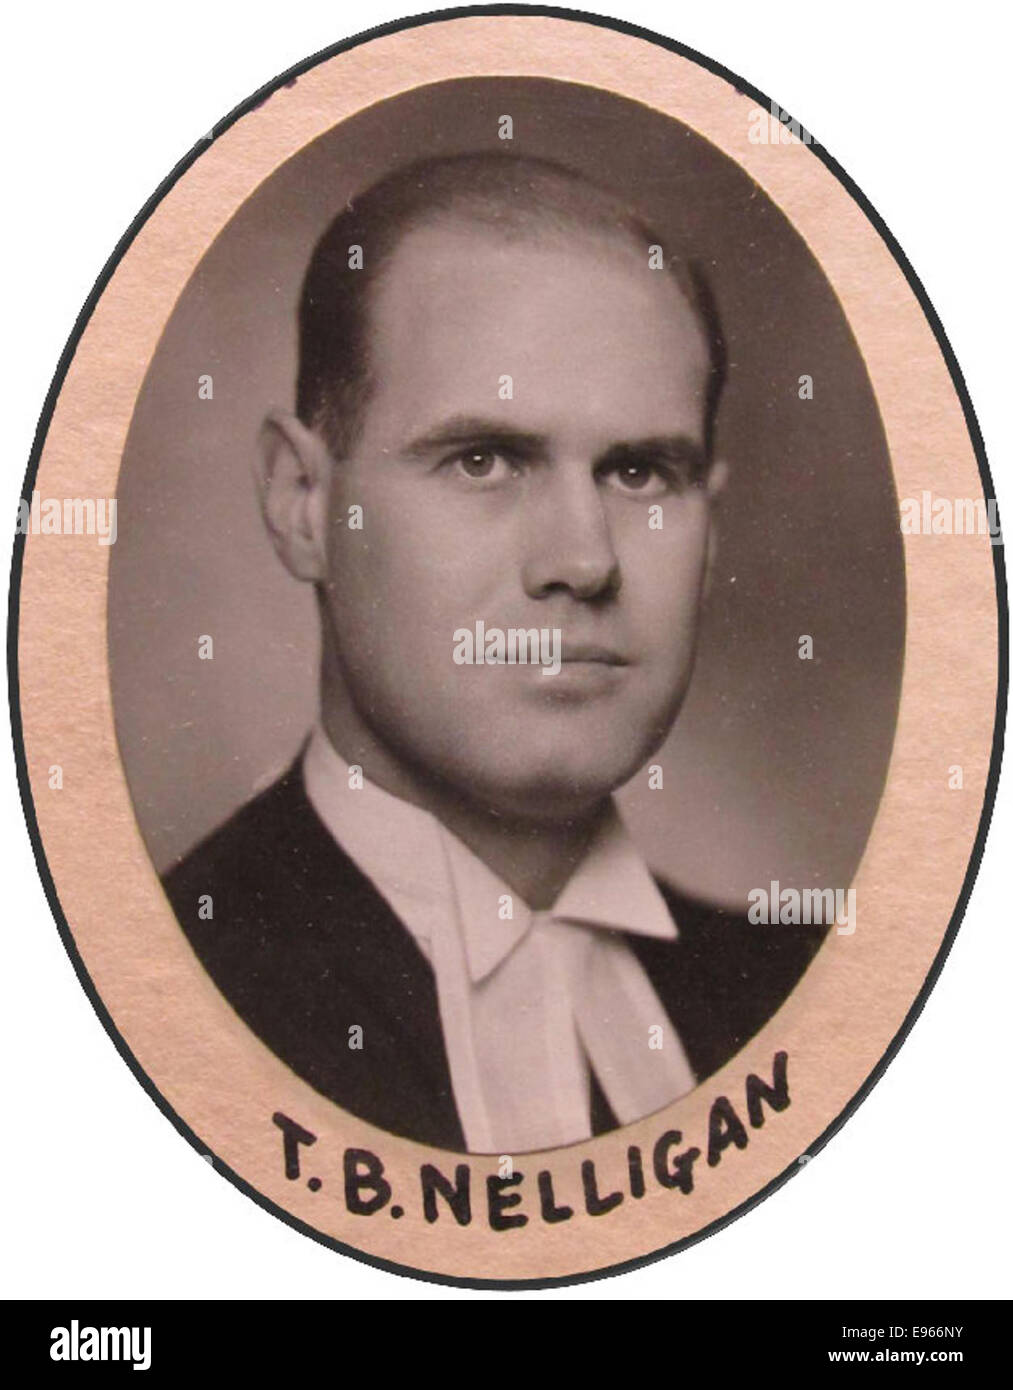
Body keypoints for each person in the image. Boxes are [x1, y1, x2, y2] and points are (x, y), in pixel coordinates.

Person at [163, 153, 823, 1153]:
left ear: (709, 529)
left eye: (640, 473)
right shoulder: (144, 989)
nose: (583, 560)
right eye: (483, 460)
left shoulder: (812, 1001)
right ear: (303, 503)